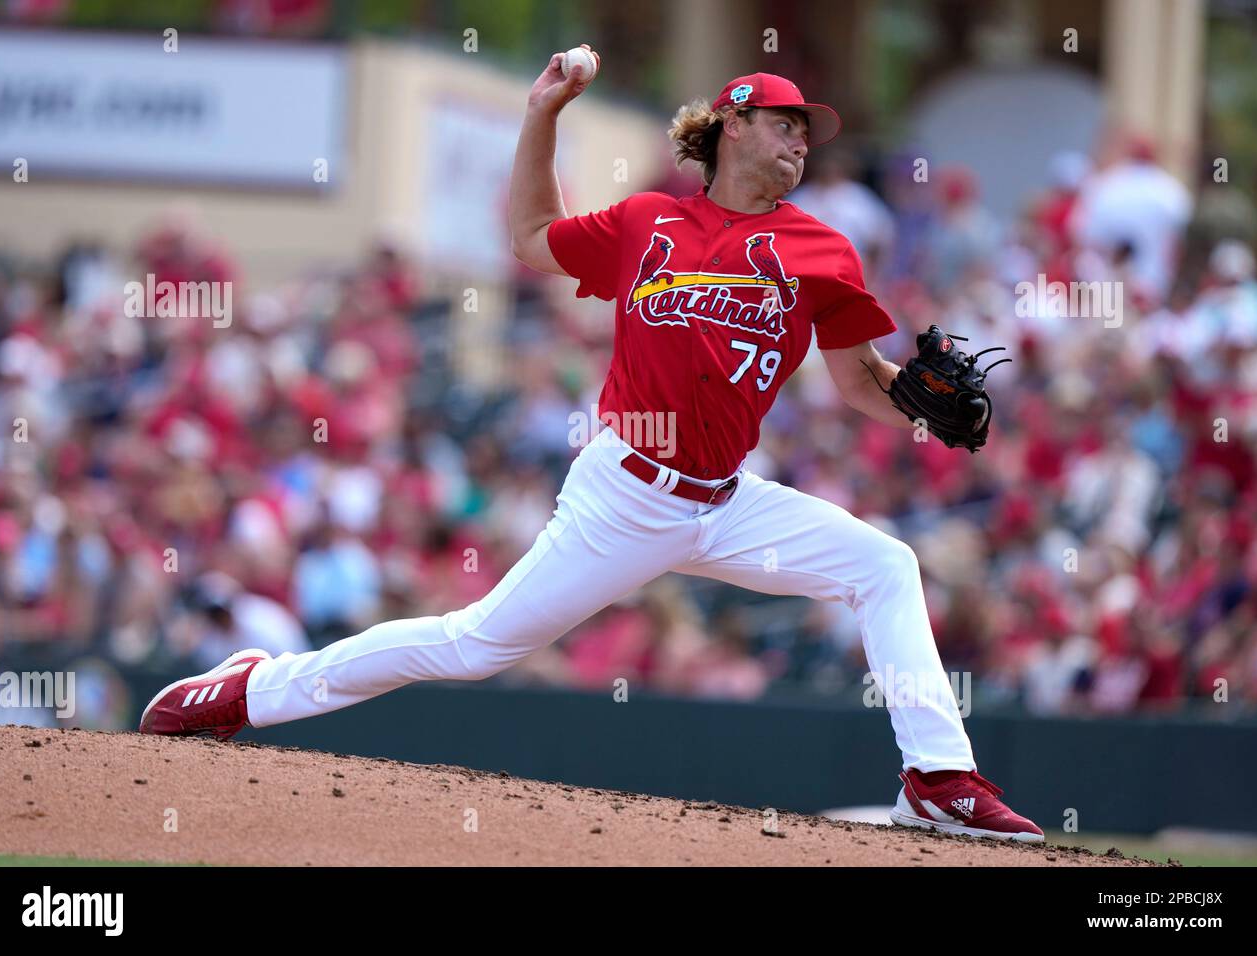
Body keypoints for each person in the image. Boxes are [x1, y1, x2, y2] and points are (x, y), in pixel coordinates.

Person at [139, 51, 1043, 842]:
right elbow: (532, 238)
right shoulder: (648, 223)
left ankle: (937, 780)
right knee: (473, 645)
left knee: (884, 565)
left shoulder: (822, 250)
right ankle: (255, 689)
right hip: (627, 494)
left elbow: (861, 381)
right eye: (784, 125)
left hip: (730, 500)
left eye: (807, 133)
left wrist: (926, 413)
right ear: (732, 125)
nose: (801, 143)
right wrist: (545, 115)